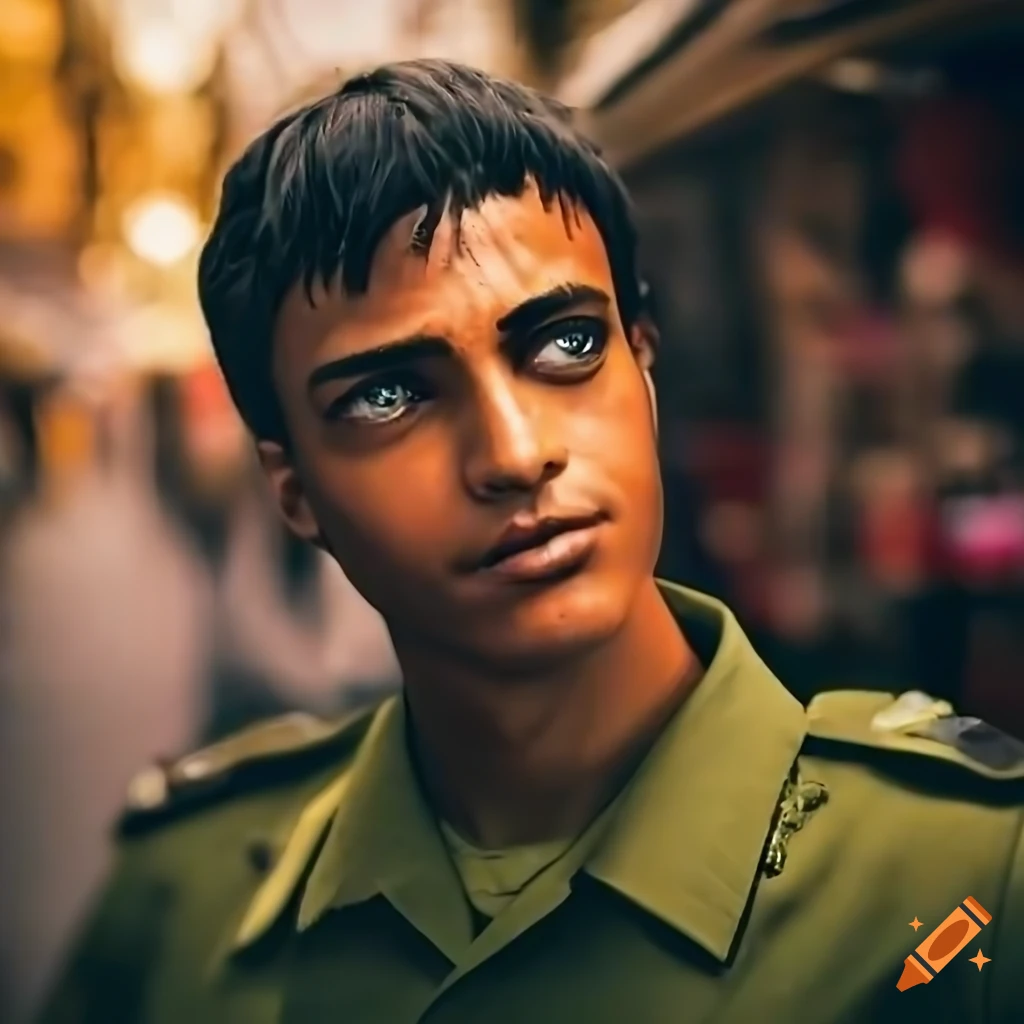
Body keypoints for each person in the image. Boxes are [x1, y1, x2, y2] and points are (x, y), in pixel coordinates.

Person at [37, 60, 1023, 1024]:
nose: (513, 454)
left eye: (565, 344)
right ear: (294, 491)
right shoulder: (181, 906)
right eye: (387, 395)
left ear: (643, 365)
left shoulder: (969, 887)